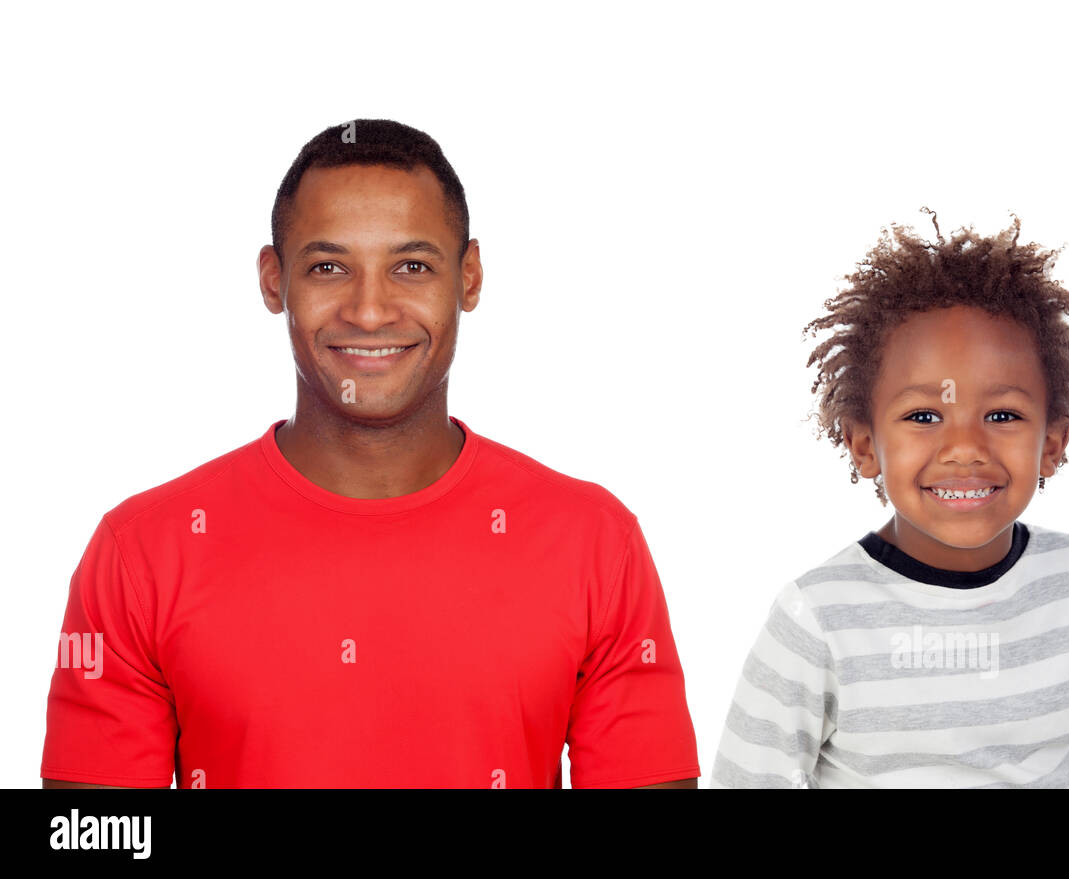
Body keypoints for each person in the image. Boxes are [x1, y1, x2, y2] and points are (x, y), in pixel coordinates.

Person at [42, 119, 699, 789]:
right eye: (329, 267)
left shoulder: (595, 543)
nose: (370, 310)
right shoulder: (140, 552)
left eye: (411, 266)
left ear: (469, 278)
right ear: (273, 281)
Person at [710, 210, 1069, 788]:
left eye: (1002, 414)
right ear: (865, 445)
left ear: (1052, 444)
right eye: (923, 416)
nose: (964, 448)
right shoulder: (818, 618)